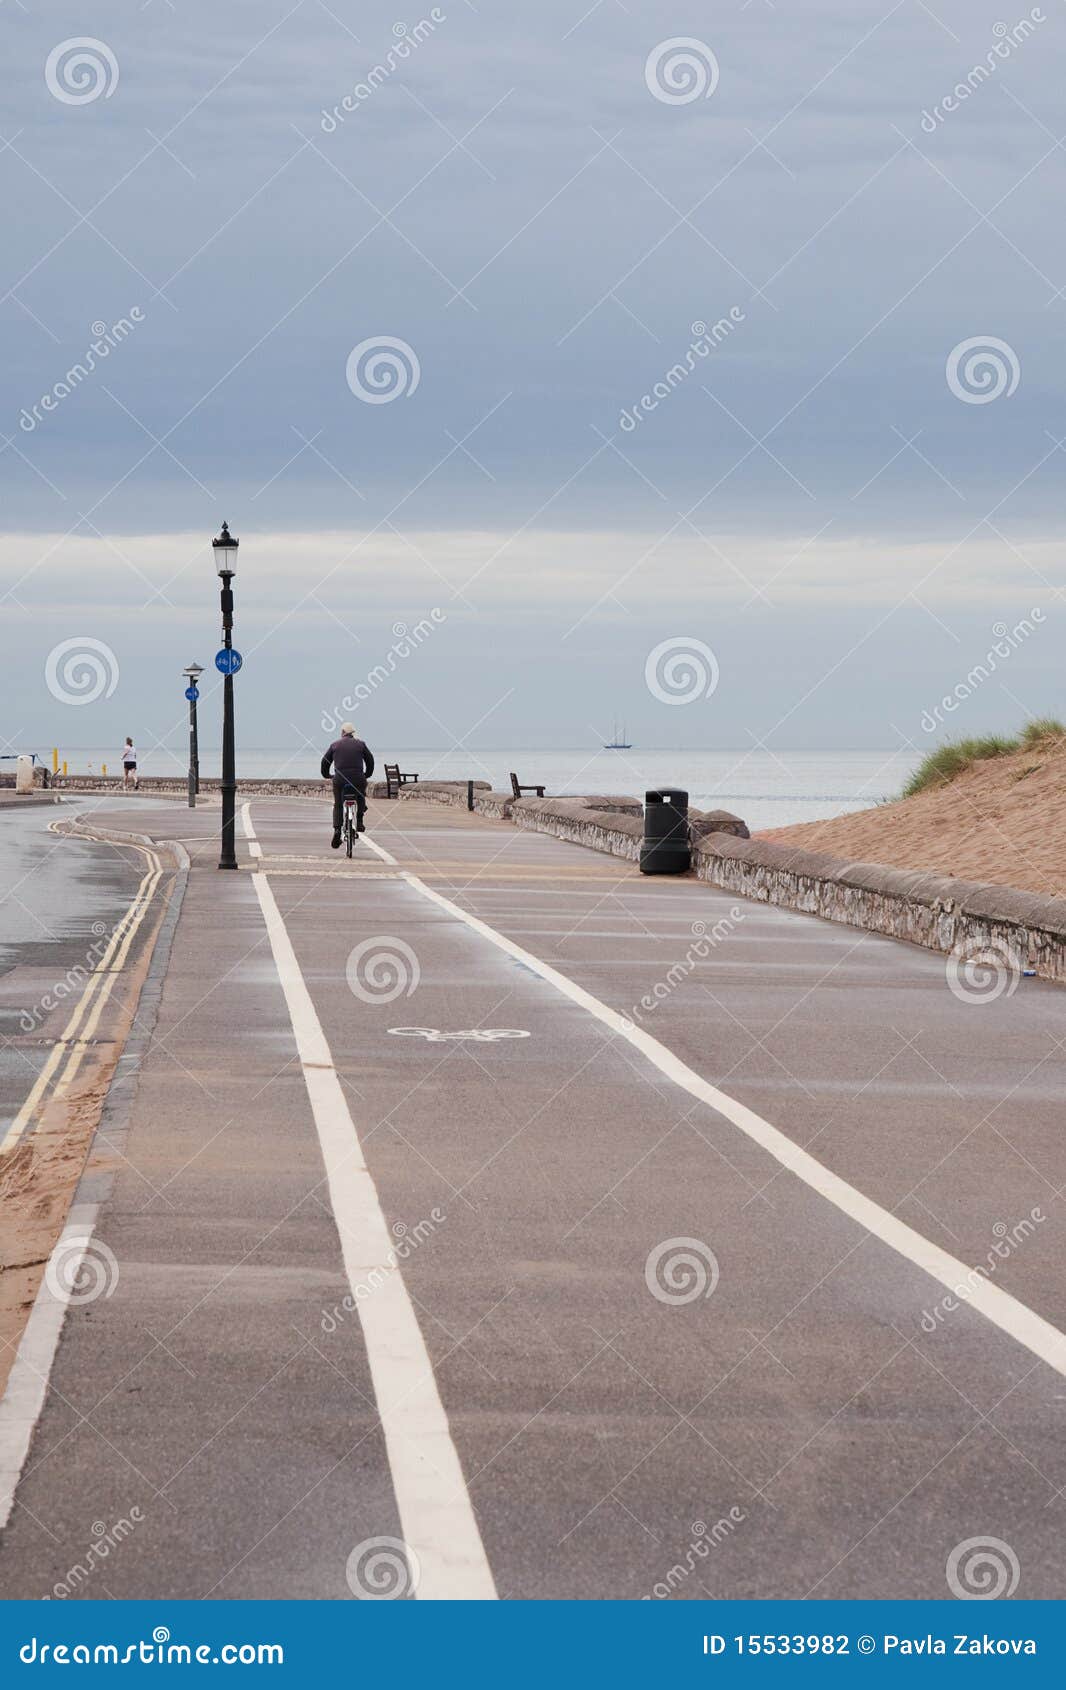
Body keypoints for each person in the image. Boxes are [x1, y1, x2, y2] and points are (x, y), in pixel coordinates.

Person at [321, 723, 374, 849]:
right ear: (352, 733)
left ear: (343, 732)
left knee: (338, 804)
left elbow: (324, 762)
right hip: (358, 778)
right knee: (360, 795)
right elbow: (370, 760)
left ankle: (337, 831)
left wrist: (327, 775)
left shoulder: (335, 745)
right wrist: (367, 775)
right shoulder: (361, 744)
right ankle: (360, 822)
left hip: (340, 779)